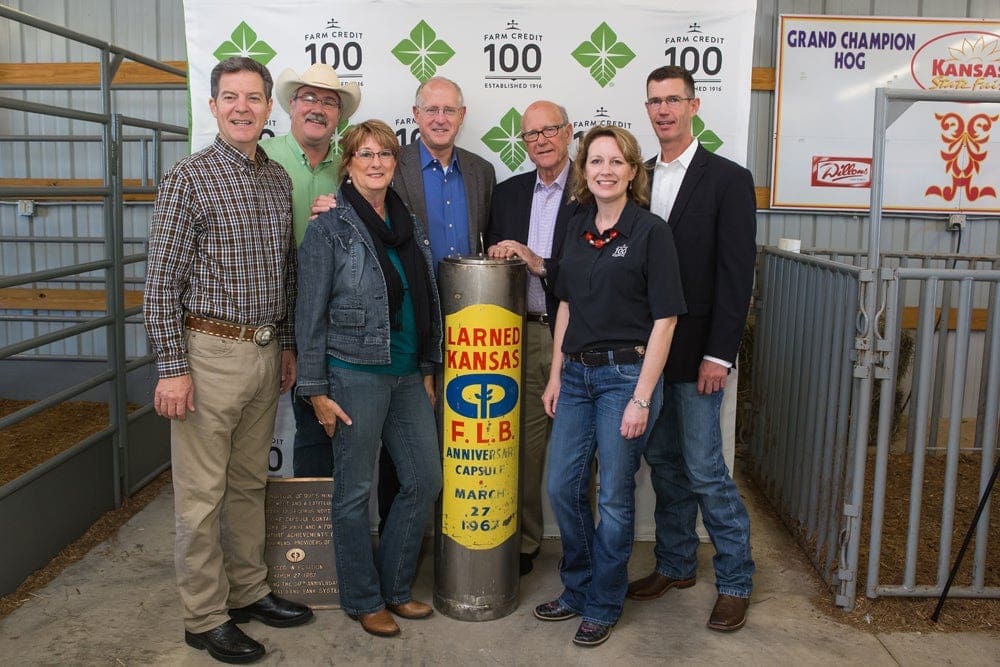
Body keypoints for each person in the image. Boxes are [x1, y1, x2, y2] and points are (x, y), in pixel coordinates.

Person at [144, 56, 311, 665]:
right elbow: (161, 281)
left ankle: (248, 590)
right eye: (230, 96)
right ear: (212, 106)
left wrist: (287, 342)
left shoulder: (277, 181)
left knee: (247, 485)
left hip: (265, 351)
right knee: (200, 495)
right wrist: (171, 365)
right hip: (207, 354)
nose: (242, 107)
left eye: (254, 97)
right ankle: (204, 616)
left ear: (270, 108)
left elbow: (285, 275)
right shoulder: (187, 178)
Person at [533, 125, 686, 647]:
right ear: (584, 171)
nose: (604, 170)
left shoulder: (651, 232)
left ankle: (602, 602)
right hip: (575, 375)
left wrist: (643, 397)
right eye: (595, 161)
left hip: (627, 376)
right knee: (562, 486)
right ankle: (576, 588)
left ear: (632, 171)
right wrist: (555, 375)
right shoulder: (576, 225)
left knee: (616, 499)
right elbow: (567, 306)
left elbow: (665, 320)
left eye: (615, 161)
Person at [295, 120, 443, 639]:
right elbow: (309, 314)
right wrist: (314, 389)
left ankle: (396, 589)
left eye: (384, 154)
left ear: (395, 164)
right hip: (353, 373)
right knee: (355, 492)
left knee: (425, 479)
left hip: (405, 374)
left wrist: (427, 367)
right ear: (349, 164)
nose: (376, 162)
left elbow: (425, 300)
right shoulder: (328, 227)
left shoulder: (409, 225)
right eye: (364, 154)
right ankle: (363, 597)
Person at [627, 65, 757, 632]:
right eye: (655, 101)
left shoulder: (728, 178)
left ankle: (735, 581)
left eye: (673, 100)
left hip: (700, 350)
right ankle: (676, 565)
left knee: (706, 469)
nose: (663, 111)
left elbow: (736, 275)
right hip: (645, 352)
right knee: (664, 465)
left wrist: (720, 355)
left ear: (694, 105)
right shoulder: (639, 176)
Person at [378, 75, 496, 529]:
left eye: (450, 110)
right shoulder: (392, 165)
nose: (441, 119)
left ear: (462, 117)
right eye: (431, 110)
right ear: (416, 116)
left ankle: (459, 535)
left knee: (466, 435)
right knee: (402, 444)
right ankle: (401, 551)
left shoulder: (482, 172)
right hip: (409, 324)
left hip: (472, 330)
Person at [485, 100, 579, 576]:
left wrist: (537, 261)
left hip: (577, 338)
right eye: (530, 134)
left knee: (581, 452)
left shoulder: (596, 189)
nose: (540, 140)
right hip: (518, 336)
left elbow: (593, 275)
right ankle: (523, 543)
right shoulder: (507, 194)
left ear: (569, 132)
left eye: (550, 130)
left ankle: (583, 549)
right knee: (521, 449)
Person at [260, 63, 361, 477]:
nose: (318, 108)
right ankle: (308, 535)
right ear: (290, 106)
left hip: (338, 320)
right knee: (302, 431)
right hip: (273, 317)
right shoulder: (263, 157)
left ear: (340, 116)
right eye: (309, 98)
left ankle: (332, 533)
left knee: (334, 429)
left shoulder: (354, 168)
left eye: (329, 102)